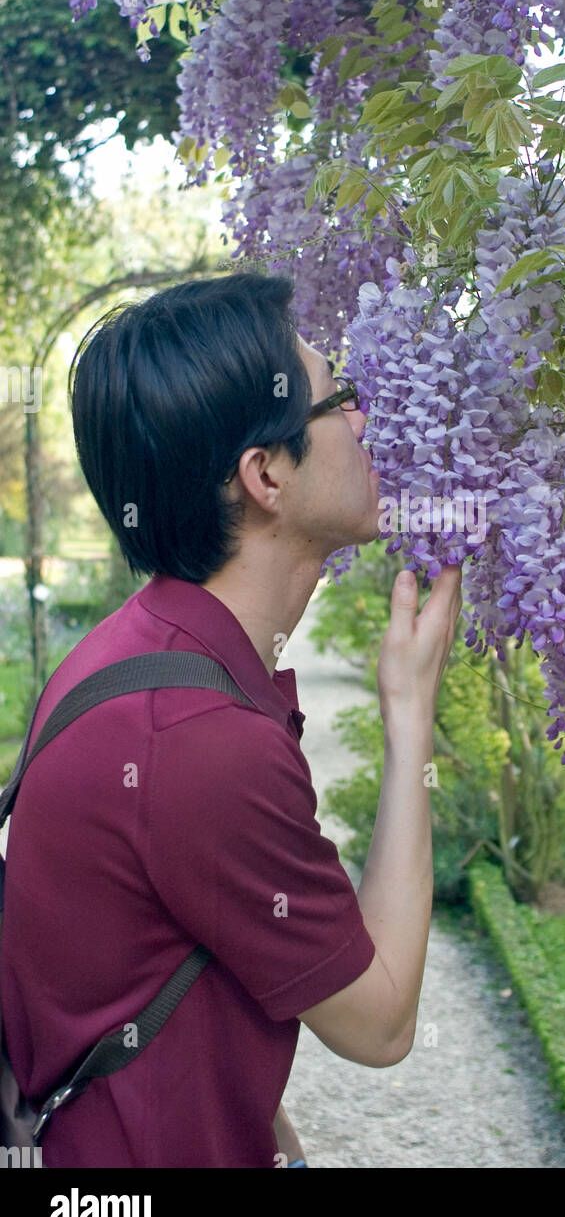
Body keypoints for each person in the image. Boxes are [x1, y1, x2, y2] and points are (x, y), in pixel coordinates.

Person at [0, 272, 461, 1167]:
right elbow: (381, 1022)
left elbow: (153, 962)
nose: (369, 423)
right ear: (267, 474)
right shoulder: (196, 739)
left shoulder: (128, 655)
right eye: (343, 400)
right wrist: (410, 723)